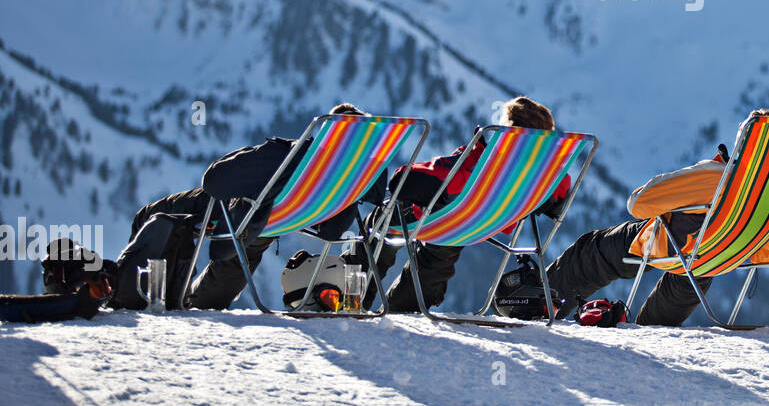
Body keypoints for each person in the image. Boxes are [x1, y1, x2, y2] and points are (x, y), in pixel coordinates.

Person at [502, 109, 769, 327]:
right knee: (688, 275)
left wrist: (698, 175)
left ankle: (540, 304)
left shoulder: (717, 178)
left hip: (677, 246)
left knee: (593, 251)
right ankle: (650, 329)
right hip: (724, 254)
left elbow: (639, 203)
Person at [109, 102, 373, 311]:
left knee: (151, 214)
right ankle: (199, 303)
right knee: (247, 239)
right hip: (272, 224)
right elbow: (333, 230)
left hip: (242, 213)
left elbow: (215, 181)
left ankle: (130, 291)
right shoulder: (358, 173)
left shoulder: (292, 156)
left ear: (326, 133)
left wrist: (256, 152)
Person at [344, 95, 570, 312]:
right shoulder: (545, 178)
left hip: (443, 217)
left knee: (386, 218)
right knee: (442, 248)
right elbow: (557, 200)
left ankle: (347, 294)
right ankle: (405, 306)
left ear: (507, 131)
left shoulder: (481, 164)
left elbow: (404, 182)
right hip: (479, 227)